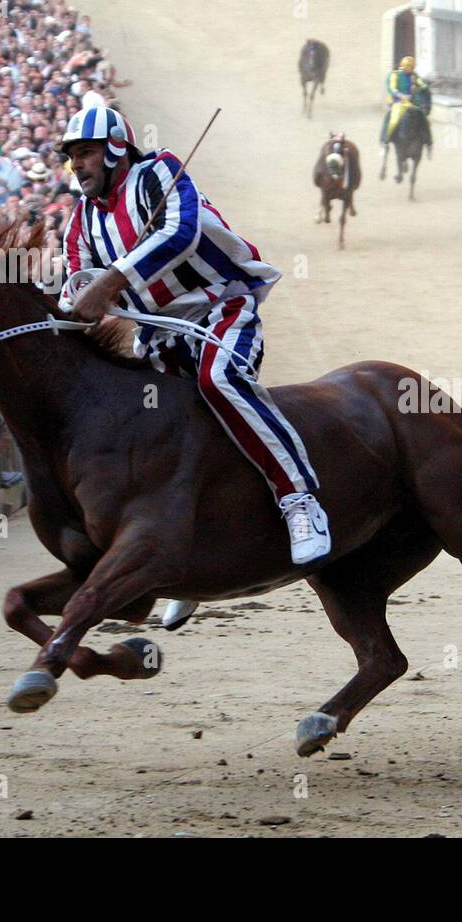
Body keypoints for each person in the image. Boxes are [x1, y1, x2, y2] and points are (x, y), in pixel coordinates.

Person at [57, 106, 331, 566]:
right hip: (158, 335)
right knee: (148, 417)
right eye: (72, 158)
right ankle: (179, 538)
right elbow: (77, 284)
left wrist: (110, 282)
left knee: (218, 379)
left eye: (85, 153)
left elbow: (179, 233)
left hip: (220, 307)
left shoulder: (158, 173)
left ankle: (300, 499)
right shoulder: (79, 222)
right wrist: (76, 304)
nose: (76, 165)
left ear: (116, 150)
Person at [380, 55, 430, 152]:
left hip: (412, 103)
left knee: (424, 120)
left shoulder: (413, 75)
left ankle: (428, 142)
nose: (410, 69)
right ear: (404, 66)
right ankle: (386, 142)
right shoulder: (395, 75)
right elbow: (392, 89)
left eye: (412, 67)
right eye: (409, 67)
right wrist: (402, 96)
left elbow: (420, 83)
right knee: (394, 121)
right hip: (398, 103)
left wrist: (425, 86)